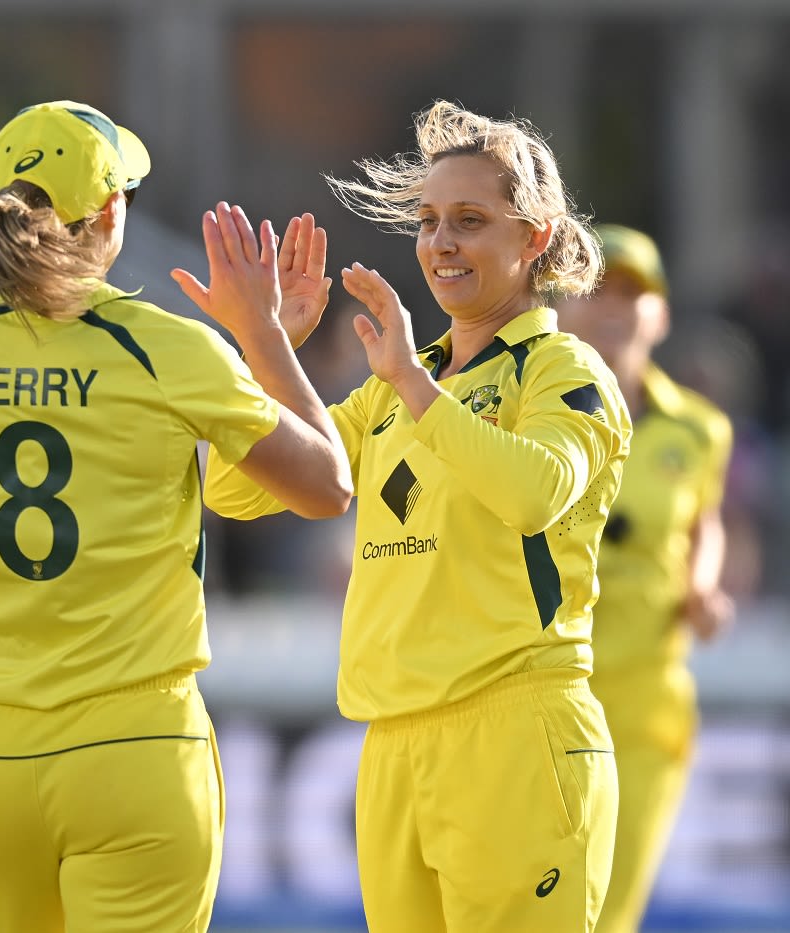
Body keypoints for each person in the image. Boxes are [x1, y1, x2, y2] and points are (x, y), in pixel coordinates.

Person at [0, 99, 352, 933]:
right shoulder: (167, 347)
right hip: (137, 749)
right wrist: (267, 339)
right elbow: (328, 486)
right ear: (113, 211)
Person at [198, 100, 633, 932]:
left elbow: (538, 491)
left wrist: (413, 385)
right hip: (393, 744)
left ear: (534, 237)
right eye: (430, 221)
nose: (440, 243)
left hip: (515, 732)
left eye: (469, 220)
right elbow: (240, 489)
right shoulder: (400, 383)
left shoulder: (559, 367)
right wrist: (272, 347)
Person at [556, 224, 735, 933]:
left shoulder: (698, 430)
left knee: (610, 908)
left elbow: (707, 521)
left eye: (634, 291)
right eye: (597, 288)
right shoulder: (525, 411)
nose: (615, 306)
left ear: (660, 316)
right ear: (562, 305)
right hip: (540, 691)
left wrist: (704, 586)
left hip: (644, 697)